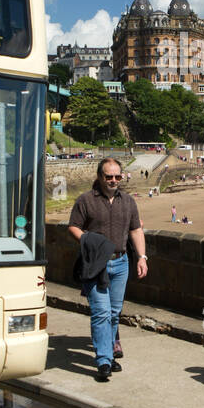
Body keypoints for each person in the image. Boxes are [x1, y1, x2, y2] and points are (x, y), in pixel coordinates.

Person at [68, 159, 147, 382]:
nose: (113, 180)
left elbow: (136, 230)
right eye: (108, 176)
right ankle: (103, 360)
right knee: (101, 312)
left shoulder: (128, 201)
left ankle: (110, 354)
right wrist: (87, 240)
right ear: (100, 177)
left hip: (121, 263)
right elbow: (73, 226)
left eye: (117, 176)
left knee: (113, 313)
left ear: (122, 177)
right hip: (95, 263)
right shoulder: (86, 200)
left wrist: (142, 257)